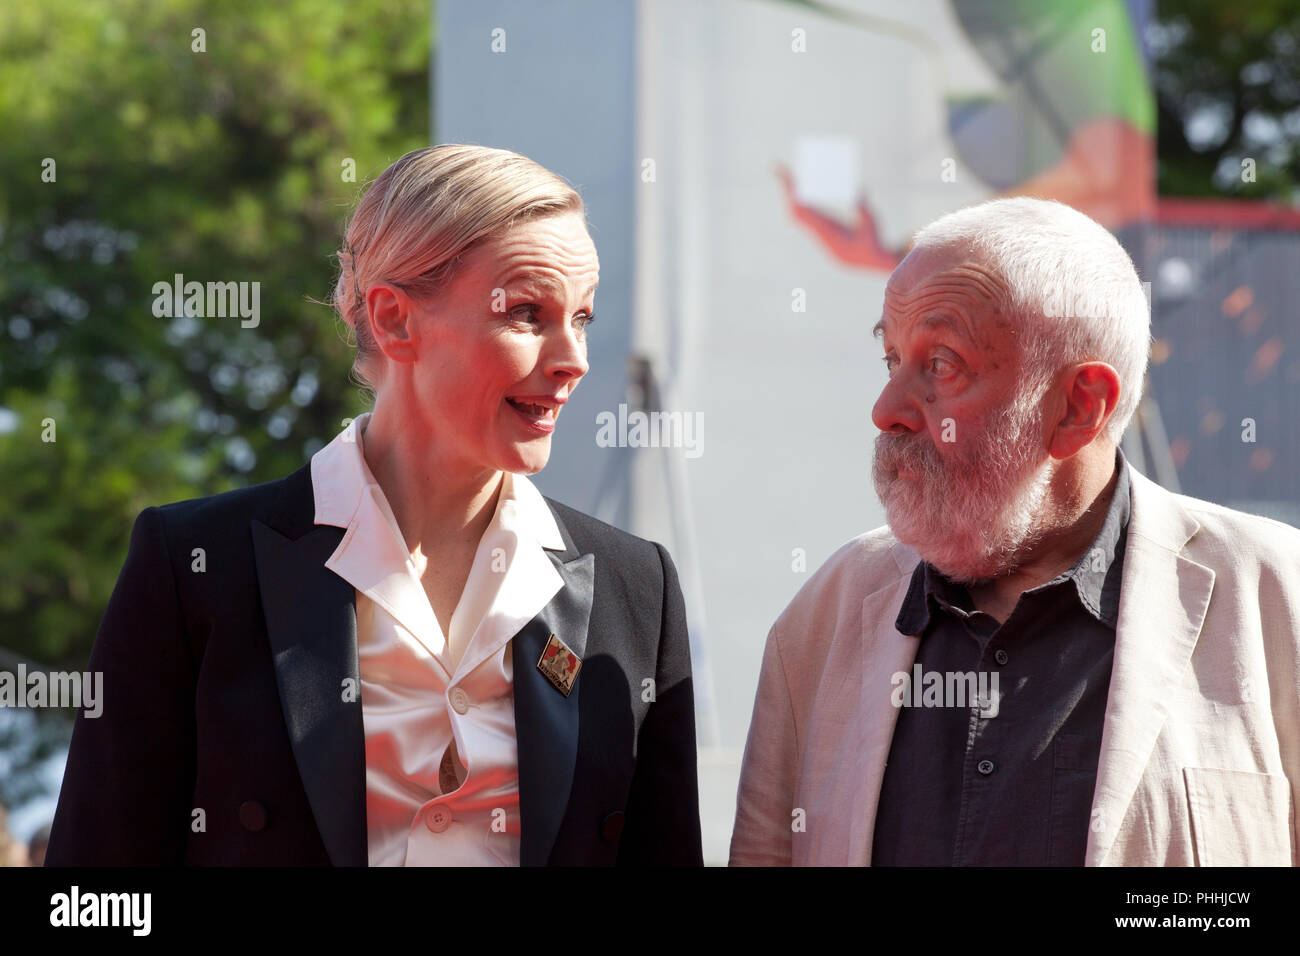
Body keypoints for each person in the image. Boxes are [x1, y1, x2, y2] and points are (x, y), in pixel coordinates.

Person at [46, 144, 702, 866]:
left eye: (581, 317)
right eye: (526, 313)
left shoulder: (638, 588)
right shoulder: (194, 566)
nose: (573, 357)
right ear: (394, 321)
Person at [730, 197, 1300, 866]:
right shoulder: (823, 617)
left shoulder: (1277, 599)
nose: (886, 411)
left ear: (1080, 406)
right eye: (892, 360)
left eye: (941, 364)